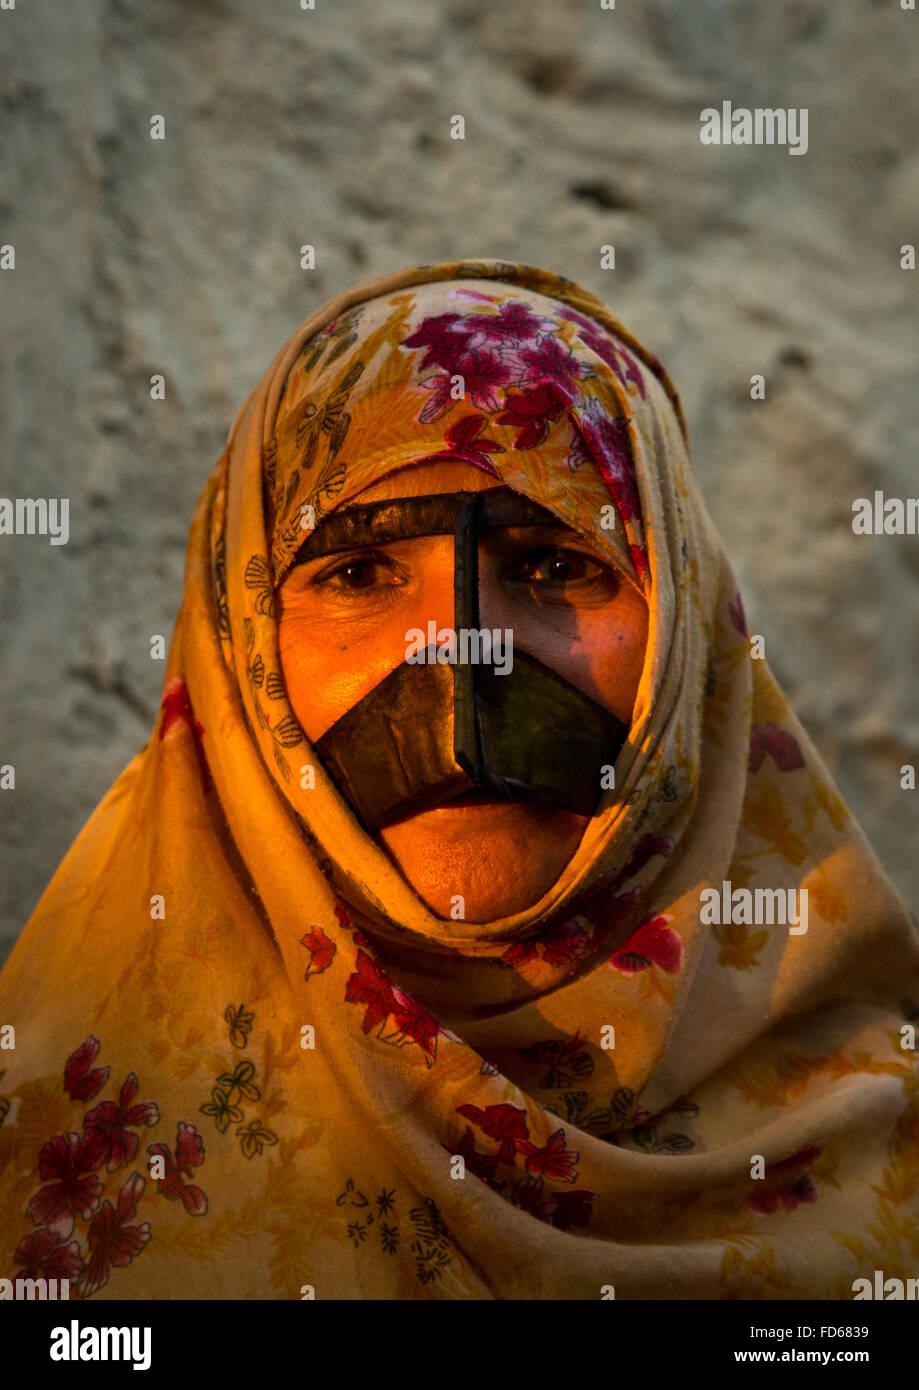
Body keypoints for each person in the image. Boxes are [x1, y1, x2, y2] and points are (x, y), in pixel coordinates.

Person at [0, 257, 916, 1302]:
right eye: (357, 574)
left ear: (688, 638)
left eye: (555, 566)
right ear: (238, 646)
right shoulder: (60, 1170)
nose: (461, 662)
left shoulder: (886, 1159)